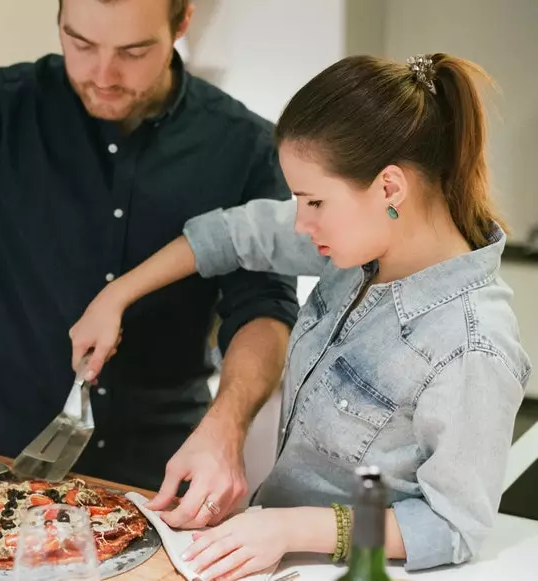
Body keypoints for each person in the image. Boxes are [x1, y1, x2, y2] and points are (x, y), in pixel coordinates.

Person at [0, 0, 299, 528]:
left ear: (181, 21)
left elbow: (266, 306)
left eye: (133, 50)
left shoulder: (246, 146)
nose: (102, 75)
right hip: (4, 460)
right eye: (80, 44)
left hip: (163, 473)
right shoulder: (0, 106)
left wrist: (229, 424)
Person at [69, 52, 532, 576]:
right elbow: (231, 235)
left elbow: (452, 526)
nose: (299, 223)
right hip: (274, 550)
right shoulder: (365, 245)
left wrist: (291, 528)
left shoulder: (472, 344)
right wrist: (116, 296)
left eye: (312, 202)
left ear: (389, 188)